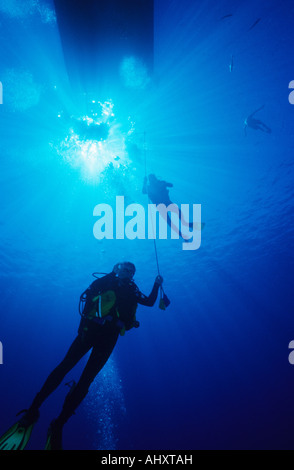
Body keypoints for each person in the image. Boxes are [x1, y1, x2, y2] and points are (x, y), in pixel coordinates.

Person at [0, 262, 163, 450]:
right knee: (63, 368)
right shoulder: (107, 281)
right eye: (125, 269)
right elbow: (90, 292)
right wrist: (111, 273)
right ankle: (32, 411)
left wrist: (157, 284)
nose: (128, 272)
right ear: (118, 270)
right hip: (89, 332)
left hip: (108, 340)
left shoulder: (133, 291)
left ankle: (59, 424)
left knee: (87, 381)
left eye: (131, 271)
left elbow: (150, 302)